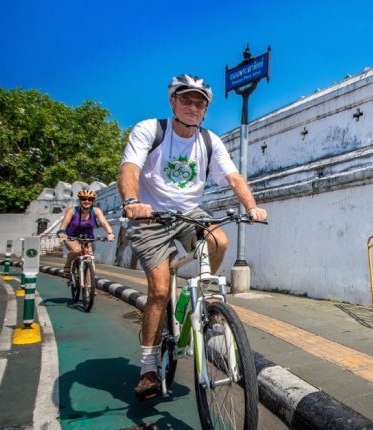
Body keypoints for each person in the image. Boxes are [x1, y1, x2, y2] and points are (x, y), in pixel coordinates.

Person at [118, 73, 267, 400]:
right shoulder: (150, 130)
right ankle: (148, 368)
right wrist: (131, 202)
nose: (193, 107)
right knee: (158, 289)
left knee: (220, 241)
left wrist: (253, 207)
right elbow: (129, 167)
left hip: (188, 214)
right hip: (151, 215)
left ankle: (200, 293)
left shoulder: (210, 142)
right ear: (173, 102)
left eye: (200, 103)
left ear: (205, 111)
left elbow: (233, 176)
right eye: (186, 99)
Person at [57, 189, 115, 279]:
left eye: (90, 199)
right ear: (80, 200)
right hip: (71, 237)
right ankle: (68, 263)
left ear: (93, 201)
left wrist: (110, 233)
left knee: (88, 259)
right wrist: (62, 233)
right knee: (76, 250)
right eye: (84, 199)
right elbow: (63, 225)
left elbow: (104, 222)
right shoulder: (72, 211)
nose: (87, 201)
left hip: (87, 238)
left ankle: (88, 288)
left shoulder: (96, 211)